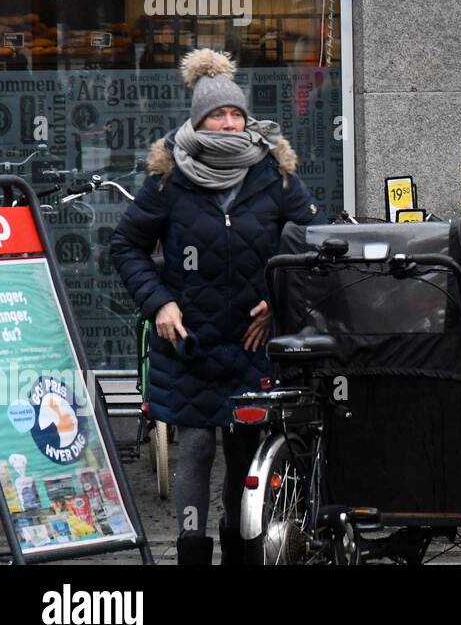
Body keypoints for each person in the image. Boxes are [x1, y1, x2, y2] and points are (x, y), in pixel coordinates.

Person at [110, 49, 325, 563]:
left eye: (236, 114)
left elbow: (318, 240)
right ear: (198, 119)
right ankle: (189, 552)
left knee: (244, 450)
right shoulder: (169, 178)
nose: (229, 124)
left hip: (253, 347)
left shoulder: (274, 174)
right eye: (217, 115)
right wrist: (158, 303)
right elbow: (125, 246)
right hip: (191, 344)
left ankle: (239, 549)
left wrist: (278, 298)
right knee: (198, 446)